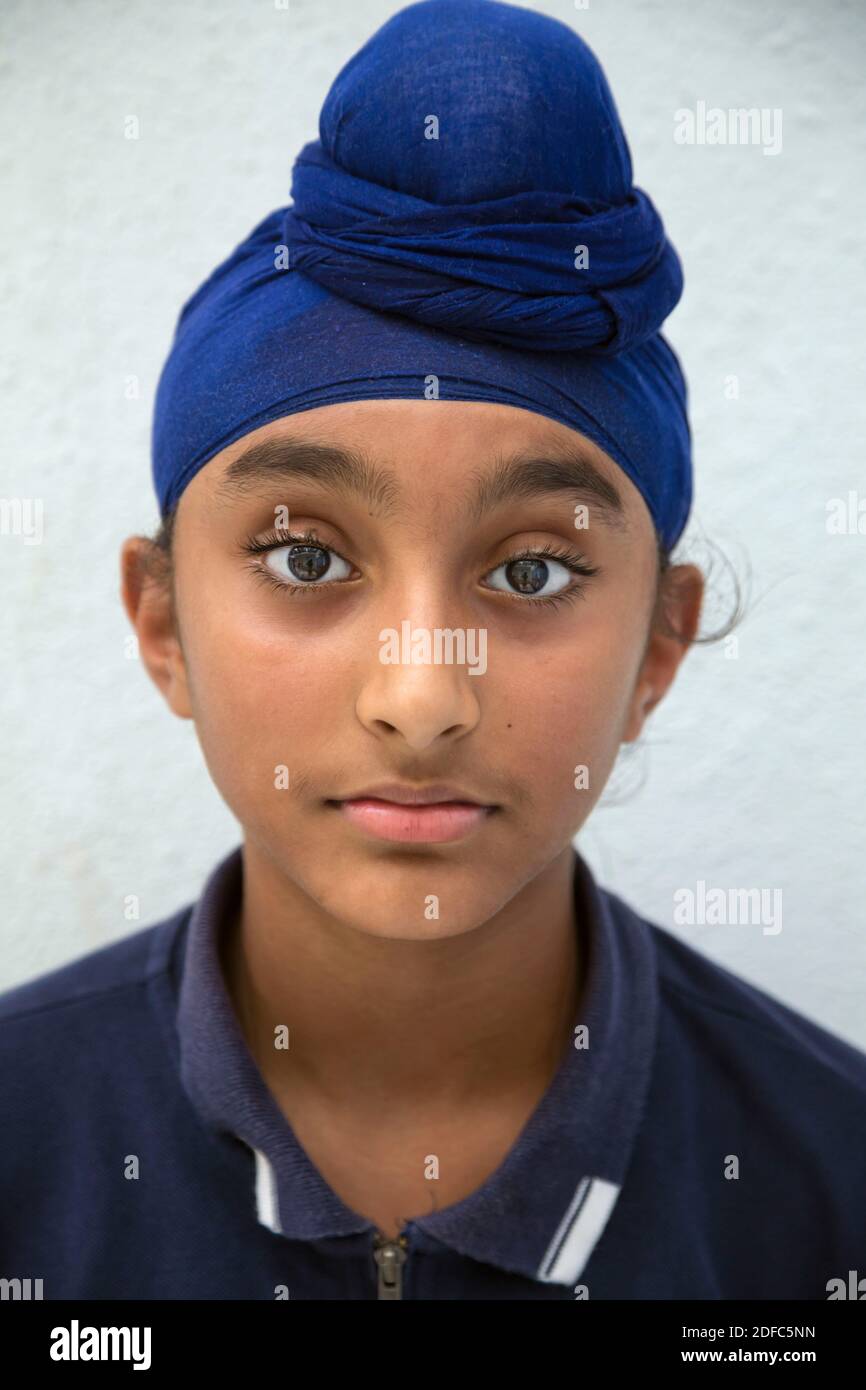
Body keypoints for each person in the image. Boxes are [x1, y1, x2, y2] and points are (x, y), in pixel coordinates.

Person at [1, 0, 864, 1301]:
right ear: (163, 622)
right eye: (307, 558)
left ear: (655, 646)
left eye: (531, 570)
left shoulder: (829, 1180)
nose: (419, 696)